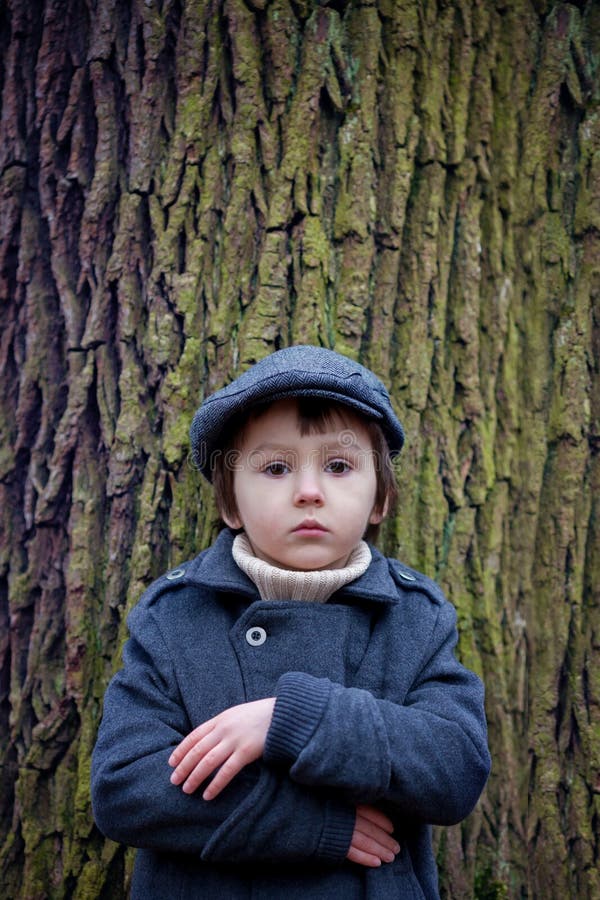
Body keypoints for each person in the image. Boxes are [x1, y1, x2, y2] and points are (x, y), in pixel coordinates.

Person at [91, 345, 490, 899]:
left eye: (339, 465)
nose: (308, 491)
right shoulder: (175, 617)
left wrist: (294, 720)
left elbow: (456, 768)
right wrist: (308, 824)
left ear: (380, 498)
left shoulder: (414, 617)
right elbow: (124, 788)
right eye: (276, 468)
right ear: (231, 505)